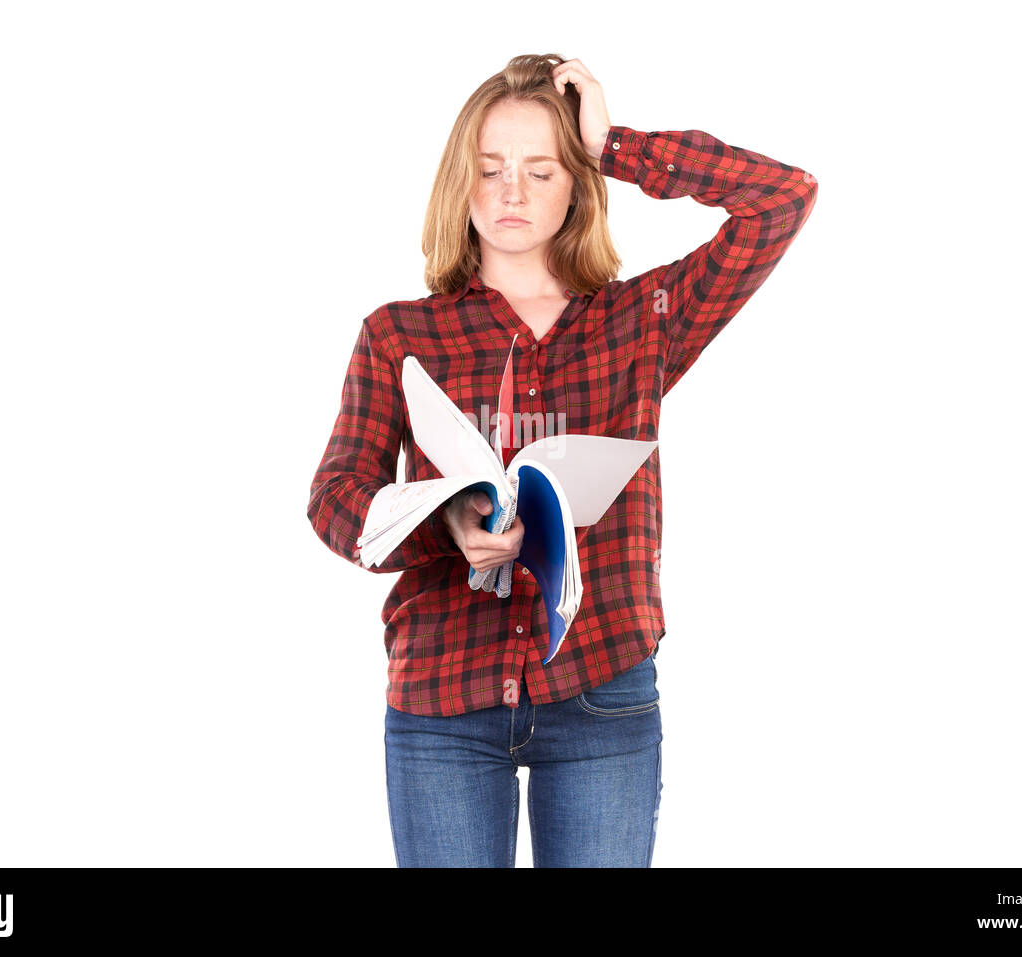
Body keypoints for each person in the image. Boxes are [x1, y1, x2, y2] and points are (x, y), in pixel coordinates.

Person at [307, 53, 817, 867]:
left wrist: (615, 145)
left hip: (601, 693)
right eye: (491, 168)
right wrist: (442, 521)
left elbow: (782, 199)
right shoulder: (399, 334)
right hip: (444, 699)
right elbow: (334, 499)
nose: (512, 192)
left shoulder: (642, 321)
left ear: (575, 184)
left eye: (541, 170)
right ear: (459, 182)